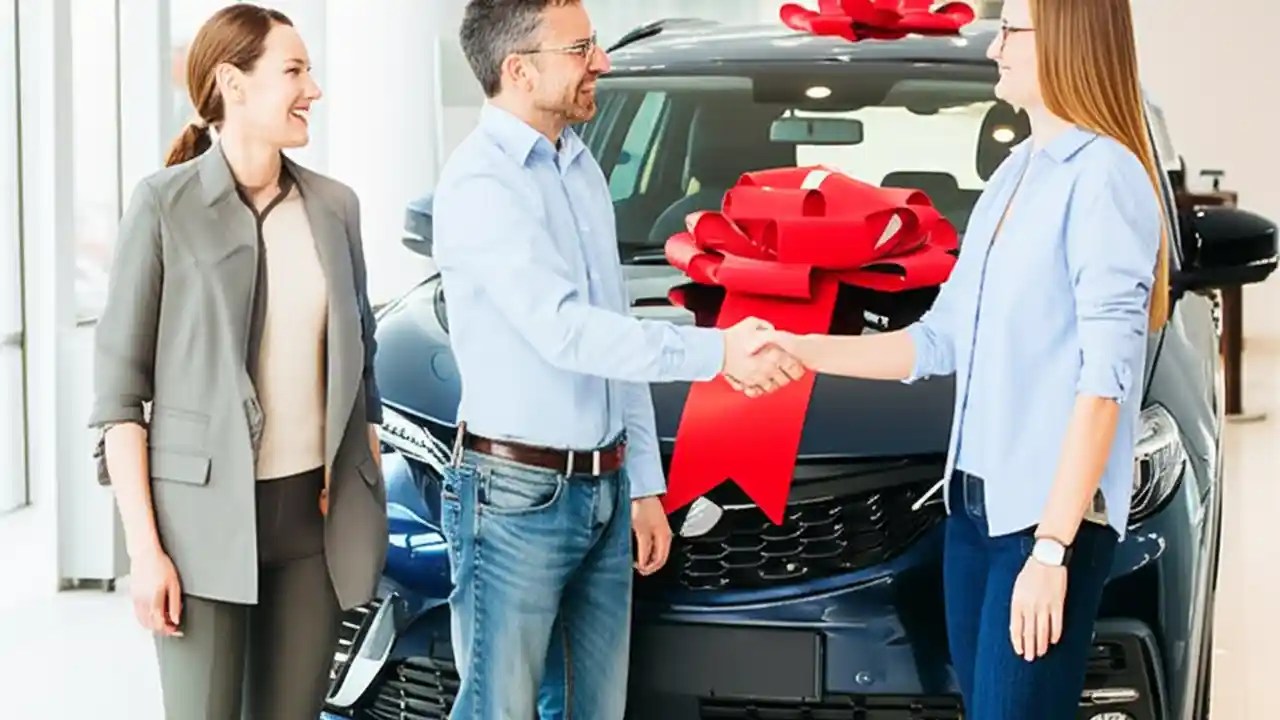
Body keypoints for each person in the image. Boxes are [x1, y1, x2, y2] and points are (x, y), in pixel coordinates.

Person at [757, 0, 1167, 717]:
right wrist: (799, 347)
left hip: (1043, 522)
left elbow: (1105, 384)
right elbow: (938, 341)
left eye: (1011, 30)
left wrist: (1050, 551)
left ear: (1065, 44)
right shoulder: (1015, 174)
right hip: (976, 507)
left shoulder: (1103, 177)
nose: (994, 46)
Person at [431, 1, 803, 717]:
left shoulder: (579, 168)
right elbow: (567, 332)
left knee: (591, 710)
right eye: (580, 49)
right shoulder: (484, 184)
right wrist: (721, 351)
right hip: (516, 498)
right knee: (496, 711)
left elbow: (616, 330)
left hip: (600, 489)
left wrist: (639, 483)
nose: (600, 62)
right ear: (518, 69)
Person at [88, 4, 386, 718]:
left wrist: (360, 485)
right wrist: (146, 553)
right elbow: (118, 402)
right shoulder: (163, 206)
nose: (313, 88)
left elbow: (362, 366)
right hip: (197, 532)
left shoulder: (334, 208)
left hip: (311, 529)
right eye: (294, 70)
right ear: (234, 82)